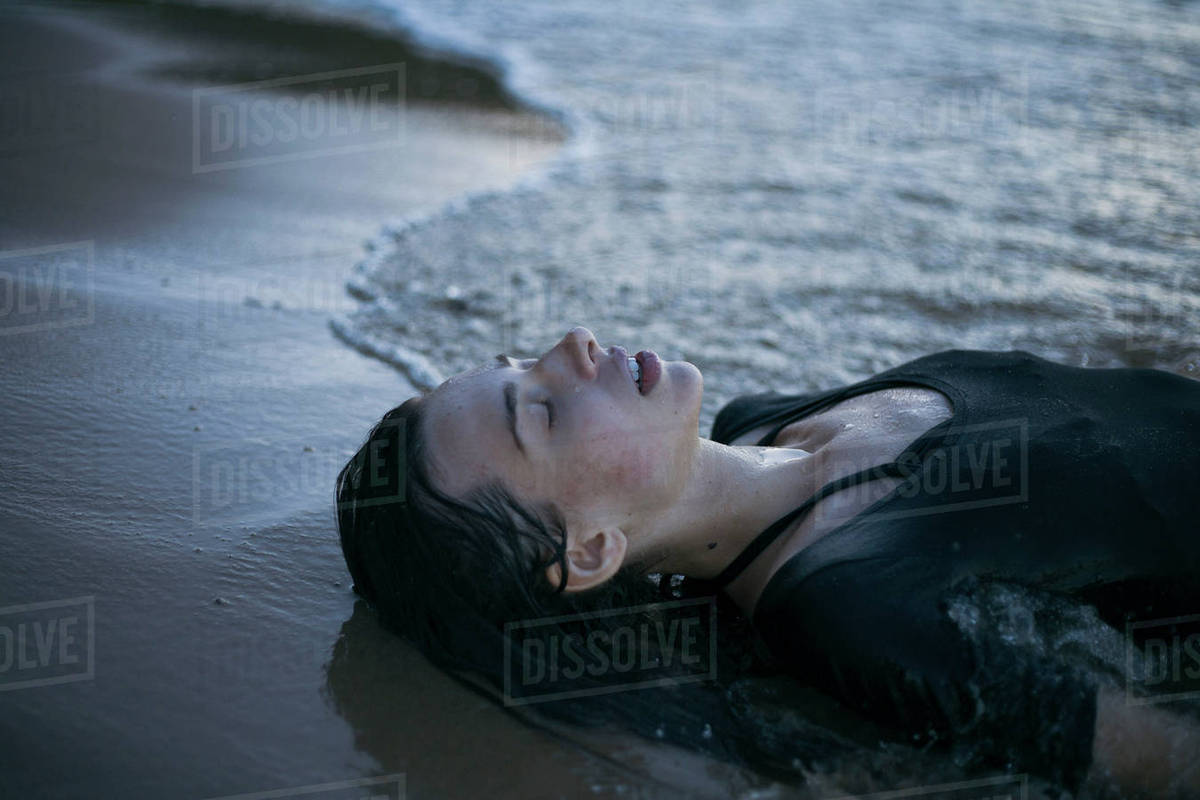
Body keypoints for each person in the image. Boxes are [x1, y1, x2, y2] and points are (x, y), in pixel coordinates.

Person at [336, 325, 1200, 797]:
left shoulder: (767, 417)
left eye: (520, 361)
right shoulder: (846, 606)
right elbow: (1159, 757)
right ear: (593, 549)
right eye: (544, 414)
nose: (570, 345)